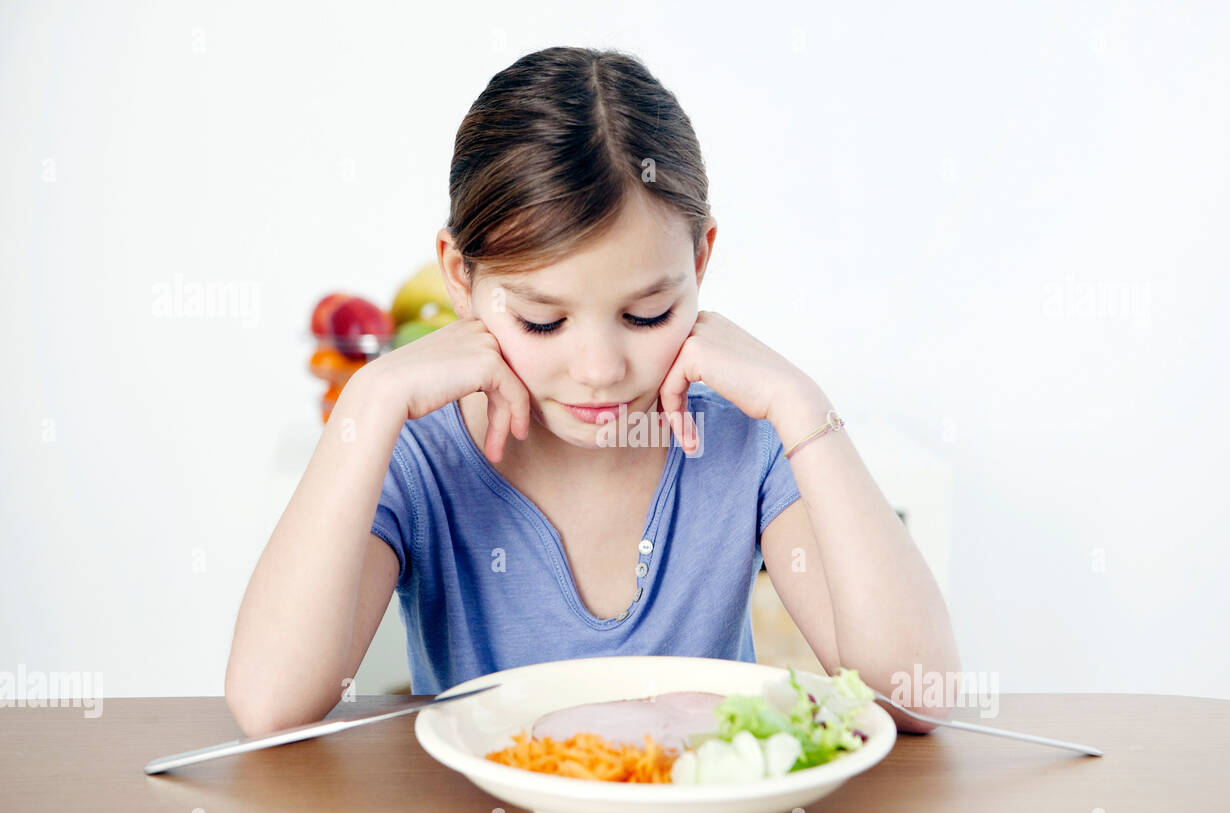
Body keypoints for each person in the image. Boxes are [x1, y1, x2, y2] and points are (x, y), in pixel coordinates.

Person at [226, 46, 959, 738]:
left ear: (701, 258)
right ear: (460, 278)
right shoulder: (420, 455)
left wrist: (804, 406)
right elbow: (269, 705)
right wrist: (367, 399)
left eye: (647, 315)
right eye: (544, 321)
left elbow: (915, 693)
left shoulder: (744, 435)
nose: (601, 369)